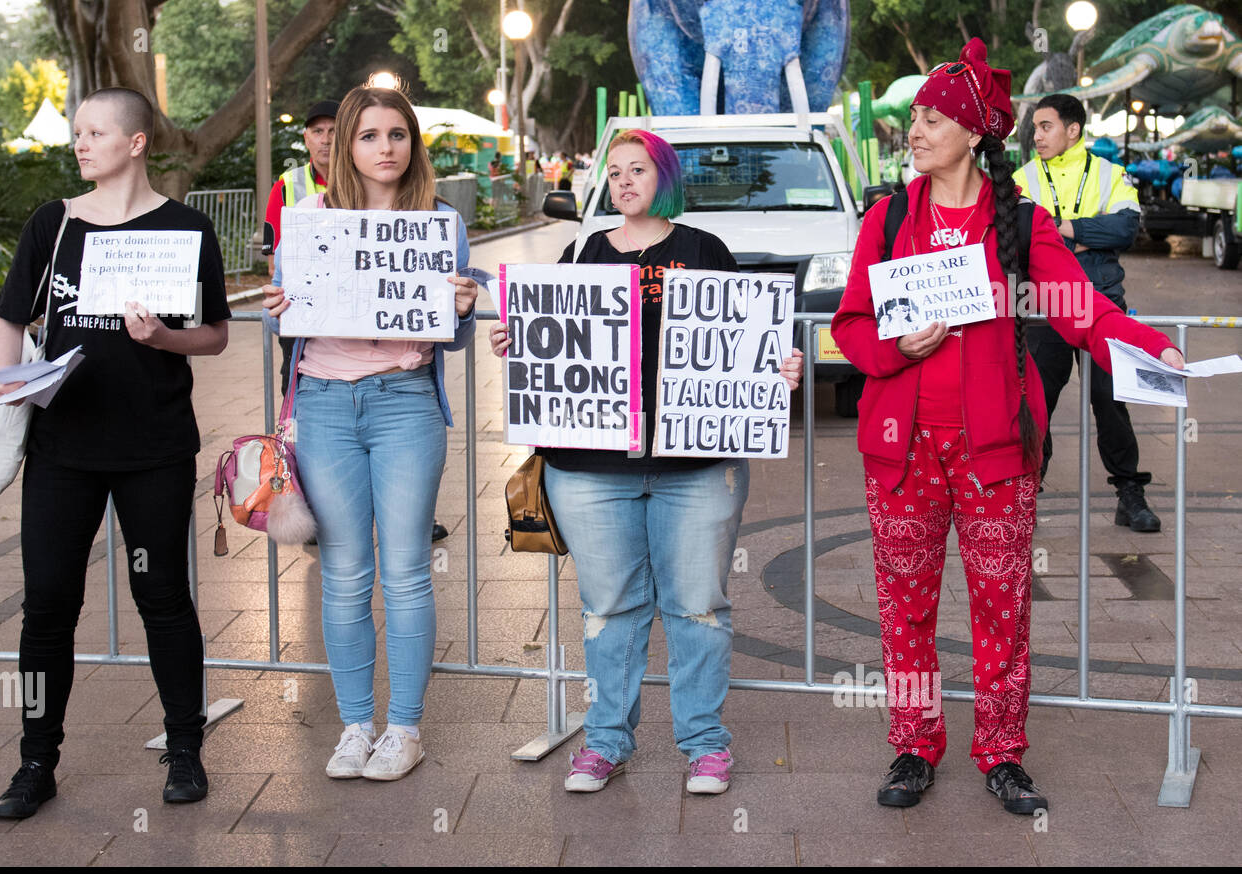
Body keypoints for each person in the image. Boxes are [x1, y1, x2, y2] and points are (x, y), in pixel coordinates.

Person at [830, 40, 1183, 815]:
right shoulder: (888, 219)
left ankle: (1001, 752)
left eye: (931, 120)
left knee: (1002, 609)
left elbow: (1085, 311)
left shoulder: (1020, 224)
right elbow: (850, 324)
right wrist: (895, 347)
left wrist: (1155, 350)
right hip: (902, 452)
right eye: (914, 120)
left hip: (994, 450)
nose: (914, 132)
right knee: (905, 607)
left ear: (972, 133)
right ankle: (914, 745)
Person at [489, 129, 804, 795]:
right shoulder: (583, 254)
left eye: (639, 169)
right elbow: (554, 343)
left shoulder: (704, 250)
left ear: (665, 178)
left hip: (696, 466)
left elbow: (744, 339)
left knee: (698, 607)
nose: (625, 181)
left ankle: (705, 744)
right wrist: (518, 340)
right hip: (590, 469)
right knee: (608, 608)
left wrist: (777, 366)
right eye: (615, 172)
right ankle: (605, 741)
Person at [0, 88, 231, 819]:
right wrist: (8, 380)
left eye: (94, 132)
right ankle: (35, 761)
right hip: (62, 446)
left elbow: (215, 333)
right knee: (46, 605)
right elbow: (7, 320)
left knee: (163, 596)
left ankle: (184, 748)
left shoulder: (186, 228)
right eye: (77, 133)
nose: (80, 145)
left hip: (154, 445)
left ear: (136, 142)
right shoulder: (54, 223)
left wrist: (164, 338)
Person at [260, 84, 477, 781]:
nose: (386, 148)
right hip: (324, 404)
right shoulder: (308, 219)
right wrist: (276, 307)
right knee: (345, 572)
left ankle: (404, 728)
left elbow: (455, 336)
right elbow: (282, 321)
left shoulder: (440, 221)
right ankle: (355, 726)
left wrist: (463, 308)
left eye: (398, 134)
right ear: (346, 145)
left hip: (405, 402)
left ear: (413, 144)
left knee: (407, 571)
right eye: (370, 135)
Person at [1014, 93, 1161, 532]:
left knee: (1111, 400)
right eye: (1035, 128)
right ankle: (1026, 491)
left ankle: (1129, 494)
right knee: (1036, 401)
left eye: (1045, 127)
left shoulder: (1110, 173)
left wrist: (1065, 228)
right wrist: (1086, 238)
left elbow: (1126, 228)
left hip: (1102, 303)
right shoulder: (1021, 178)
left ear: (1073, 129)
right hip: (1045, 305)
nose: (1036, 136)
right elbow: (1018, 238)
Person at [265, 100, 336, 398]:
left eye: (333, 131)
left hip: (352, 316)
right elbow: (275, 265)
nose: (326, 139)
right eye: (318, 131)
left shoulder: (370, 182)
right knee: (295, 396)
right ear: (306, 138)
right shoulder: (286, 185)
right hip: (301, 318)